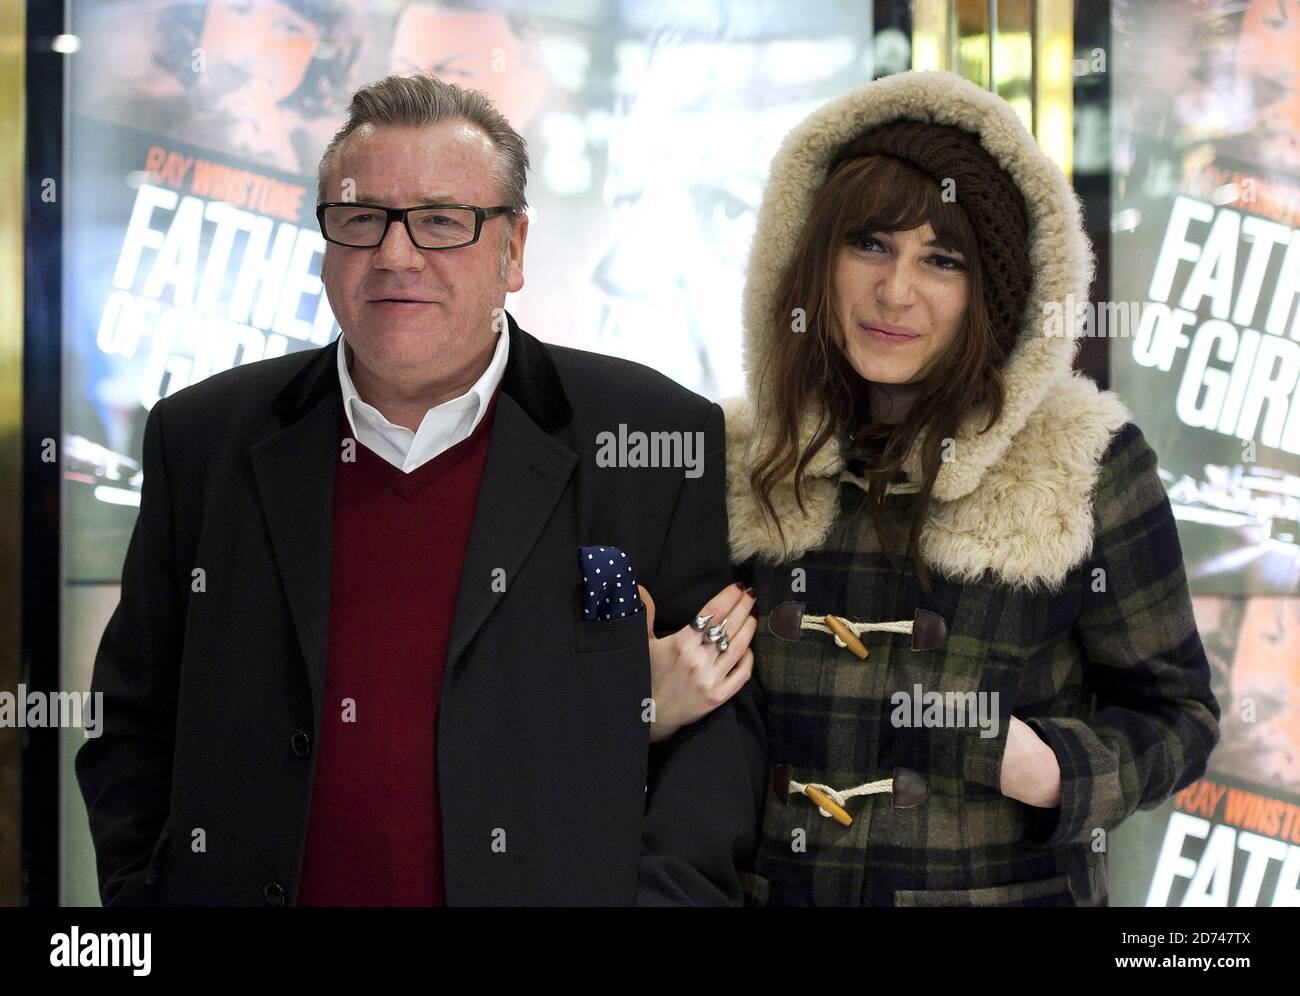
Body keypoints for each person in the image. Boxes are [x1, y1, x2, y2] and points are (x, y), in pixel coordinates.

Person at [76, 72, 765, 906]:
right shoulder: (202, 438)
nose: (395, 255)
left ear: (512, 251)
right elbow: (133, 723)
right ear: (327, 246)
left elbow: (716, 749)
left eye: (442, 221)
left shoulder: (654, 436)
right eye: (362, 220)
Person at [715, 70, 1221, 906]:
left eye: (941, 260)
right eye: (870, 244)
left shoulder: (1082, 462)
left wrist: (1053, 768)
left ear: (993, 295)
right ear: (814, 255)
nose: (895, 292)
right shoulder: (744, 458)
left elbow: (1181, 716)